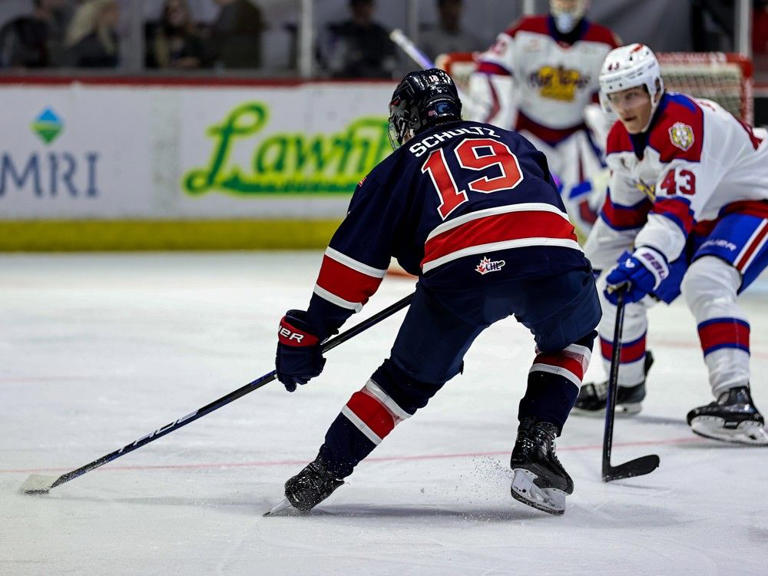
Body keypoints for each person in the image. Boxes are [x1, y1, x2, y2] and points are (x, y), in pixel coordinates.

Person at [271, 69, 601, 516]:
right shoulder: (513, 141)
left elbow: (353, 263)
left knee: (402, 383)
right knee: (571, 337)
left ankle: (324, 472)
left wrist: (309, 330)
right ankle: (537, 440)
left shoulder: (397, 165)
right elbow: (541, 211)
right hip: (552, 256)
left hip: (462, 275)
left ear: (407, 118)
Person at [572, 43, 768, 446]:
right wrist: (581, 269)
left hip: (751, 202)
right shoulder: (620, 140)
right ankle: (624, 385)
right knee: (610, 289)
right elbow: (619, 219)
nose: (624, 107)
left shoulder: (683, 125)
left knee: (707, 279)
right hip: (700, 215)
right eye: (616, 97)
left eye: (633, 95)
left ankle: (737, 401)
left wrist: (648, 258)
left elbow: (674, 214)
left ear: (655, 89)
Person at [466, 0, 620, 239]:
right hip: (527, 138)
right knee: (515, 207)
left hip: (575, 140)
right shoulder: (524, 31)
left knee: (588, 213)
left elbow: (610, 102)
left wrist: (608, 144)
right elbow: (490, 70)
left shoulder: (604, 42)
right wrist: (490, 122)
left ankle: (589, 264)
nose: (567, 4)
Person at [319, 0, 397, 79]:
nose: (362, 10)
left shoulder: (382, 34)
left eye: (366, 6)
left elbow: (390, 63)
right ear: (352, 8)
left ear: (372, 8)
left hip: (375, 81)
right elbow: (332, 63)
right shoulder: (339, 32)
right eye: (358, 6)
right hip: (345, 80)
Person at [0, 0, 72, 68]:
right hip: (22, 75)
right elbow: (9, 58)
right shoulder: (18, 26)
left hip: (52, 72)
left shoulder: (60, 23)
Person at [145, 0, 210, 69]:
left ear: (185, 12)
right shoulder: (159, 38)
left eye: (176, 10)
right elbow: (156, 65)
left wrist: (195, 62)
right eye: (168, 10)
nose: (172, 14)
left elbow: (207, 61)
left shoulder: (196, 37)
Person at [419, 0, 484, 62]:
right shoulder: (426, 41)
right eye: (447, 6)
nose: (452, 11)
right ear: (440, 9)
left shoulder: (472, 43)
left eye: (455, 5)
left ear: (461, 7)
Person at [208, 0, 264, 69]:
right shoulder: (249, 6)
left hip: (234, 55)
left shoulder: (232, 8)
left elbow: (223, 30)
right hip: (248, 54)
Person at [64, 0, 120, 68]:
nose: (118, 14)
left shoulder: (112, 37)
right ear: (100, 14)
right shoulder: (86, 45)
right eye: (113, 11)